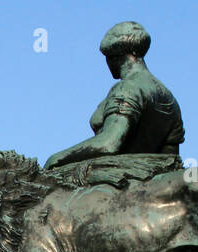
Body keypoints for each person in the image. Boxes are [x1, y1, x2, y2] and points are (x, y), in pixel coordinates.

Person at [45, 22, 184, 174]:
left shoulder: (127, 88)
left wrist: (55, 159)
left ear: (115, 57)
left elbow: (109, 144)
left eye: (108, 57)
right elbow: (170, 159)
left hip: (115, 180)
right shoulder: (169, 98)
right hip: (147, 181)